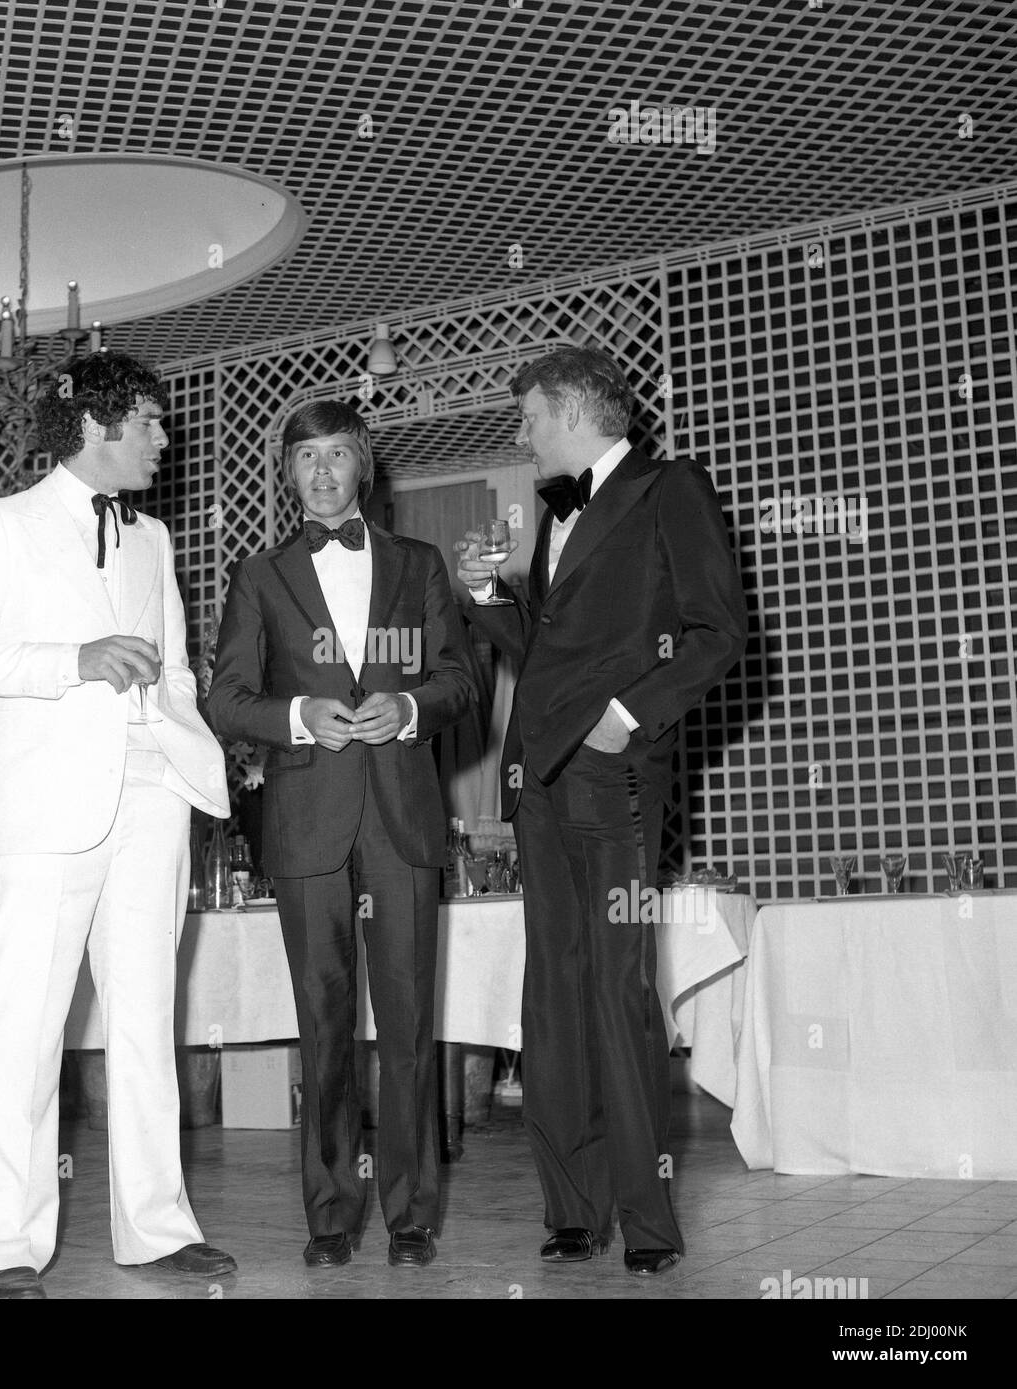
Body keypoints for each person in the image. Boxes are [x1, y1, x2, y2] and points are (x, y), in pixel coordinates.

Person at [0, 351, 235, 1298]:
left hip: (152, 798)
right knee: (22, 1024)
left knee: (145, 1017)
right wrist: (76, 659)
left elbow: (173, 665)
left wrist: (178, 743)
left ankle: (155, 1228)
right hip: (48, 807)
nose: (165, 438)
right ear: (95, 426)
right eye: (148, 421)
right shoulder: (1, 523)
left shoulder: (155, 538)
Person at [455, 344, 747, 1275]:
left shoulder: (671, 489)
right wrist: (486, 592)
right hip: (538, 784)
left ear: (575, 411)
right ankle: (572, 1209)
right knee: (553, 995)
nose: (523, 434)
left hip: (616, 778)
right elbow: (543, 654)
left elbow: (718, 632)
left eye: (531, 417)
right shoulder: (558, 516)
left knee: (619, 992)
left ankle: (647, 1222)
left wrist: (630, 714)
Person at [207, 400, 478, 1268]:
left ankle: (412, 1215)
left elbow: (460, 680)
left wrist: (409, 707)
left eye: (336, 455)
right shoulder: (260, 575)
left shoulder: (419, 564)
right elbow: (224, 699)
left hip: (402, 820)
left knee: (409, 1025)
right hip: (307, 823)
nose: (321, 471)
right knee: (322, 1026)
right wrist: (295, 716)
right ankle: (329, 1215)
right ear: (288, 472)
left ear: (363, 465)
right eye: (305, 457)